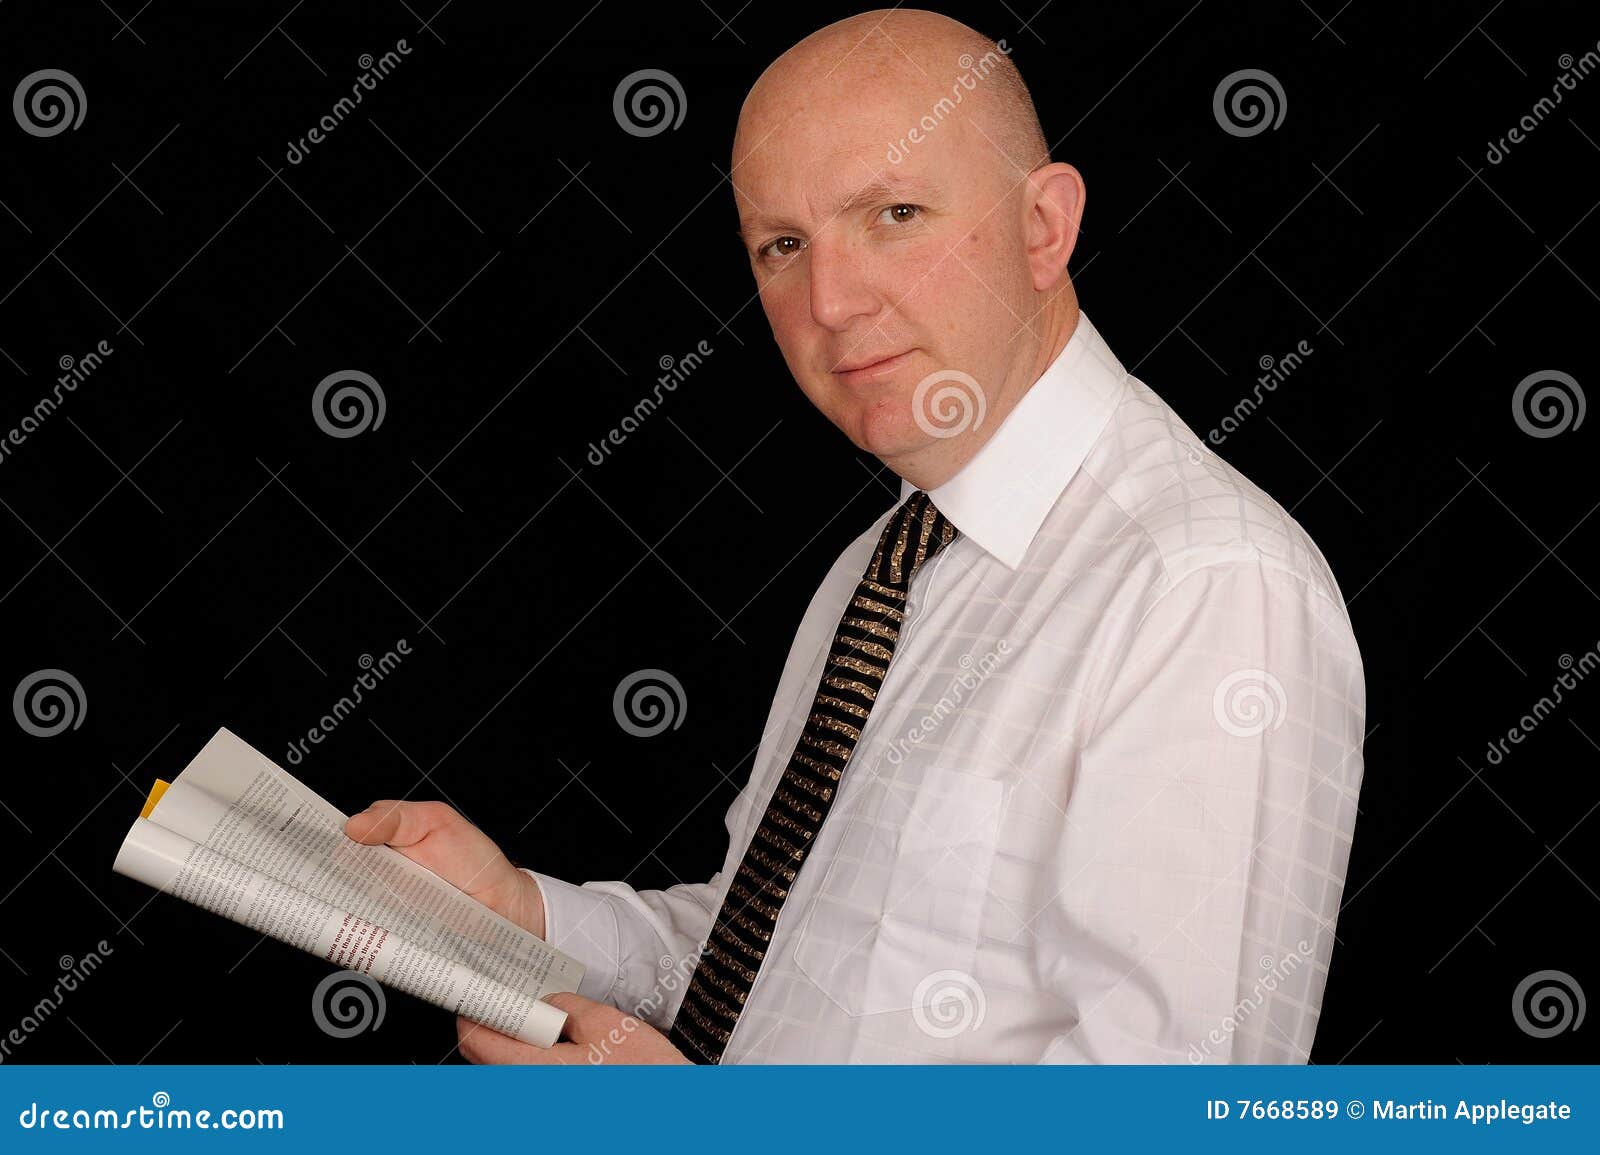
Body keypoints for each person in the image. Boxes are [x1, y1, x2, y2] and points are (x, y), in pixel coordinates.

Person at [345, 8, 1365, 1064]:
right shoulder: (883, 567)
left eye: (894, 214)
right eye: (782, 246)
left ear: (1044, 228)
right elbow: (768, 960)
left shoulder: (1205, 585)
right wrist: (525, 914)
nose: (828, 302)